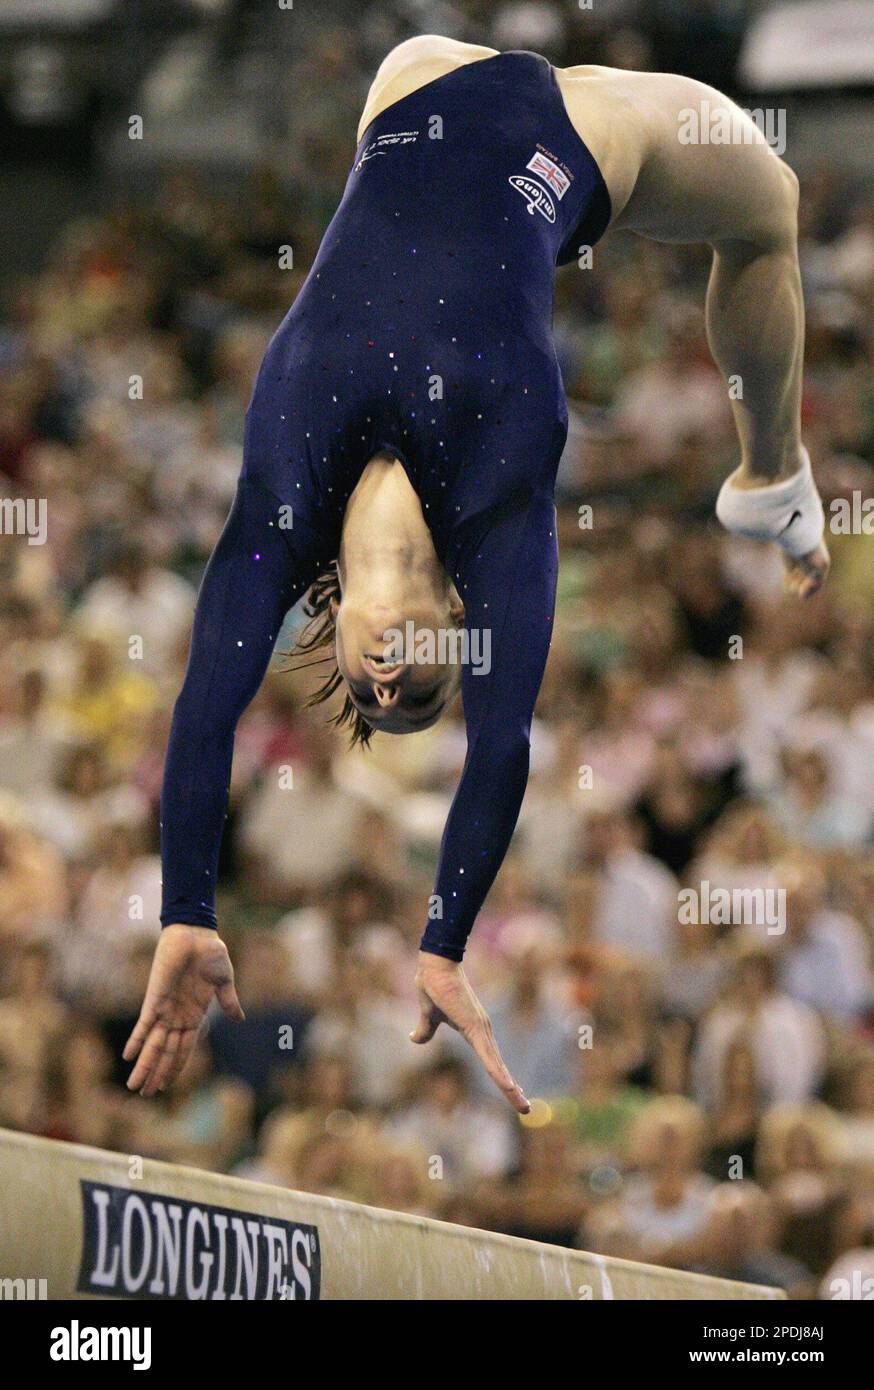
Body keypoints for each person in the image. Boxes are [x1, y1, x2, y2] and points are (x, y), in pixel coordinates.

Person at [125, 35, 830, 1109]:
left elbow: (202, 710)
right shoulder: (500, 513)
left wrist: (187, 909)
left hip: (411, 84)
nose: (395, 684)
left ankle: (773, 482)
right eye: (427, 694)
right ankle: (772, 477)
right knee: (769, 205)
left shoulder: (282, 497)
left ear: (338, 627)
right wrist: (443, 942)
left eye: (370, 696)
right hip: (587, 144)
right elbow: (500, 744)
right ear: (461, 621)